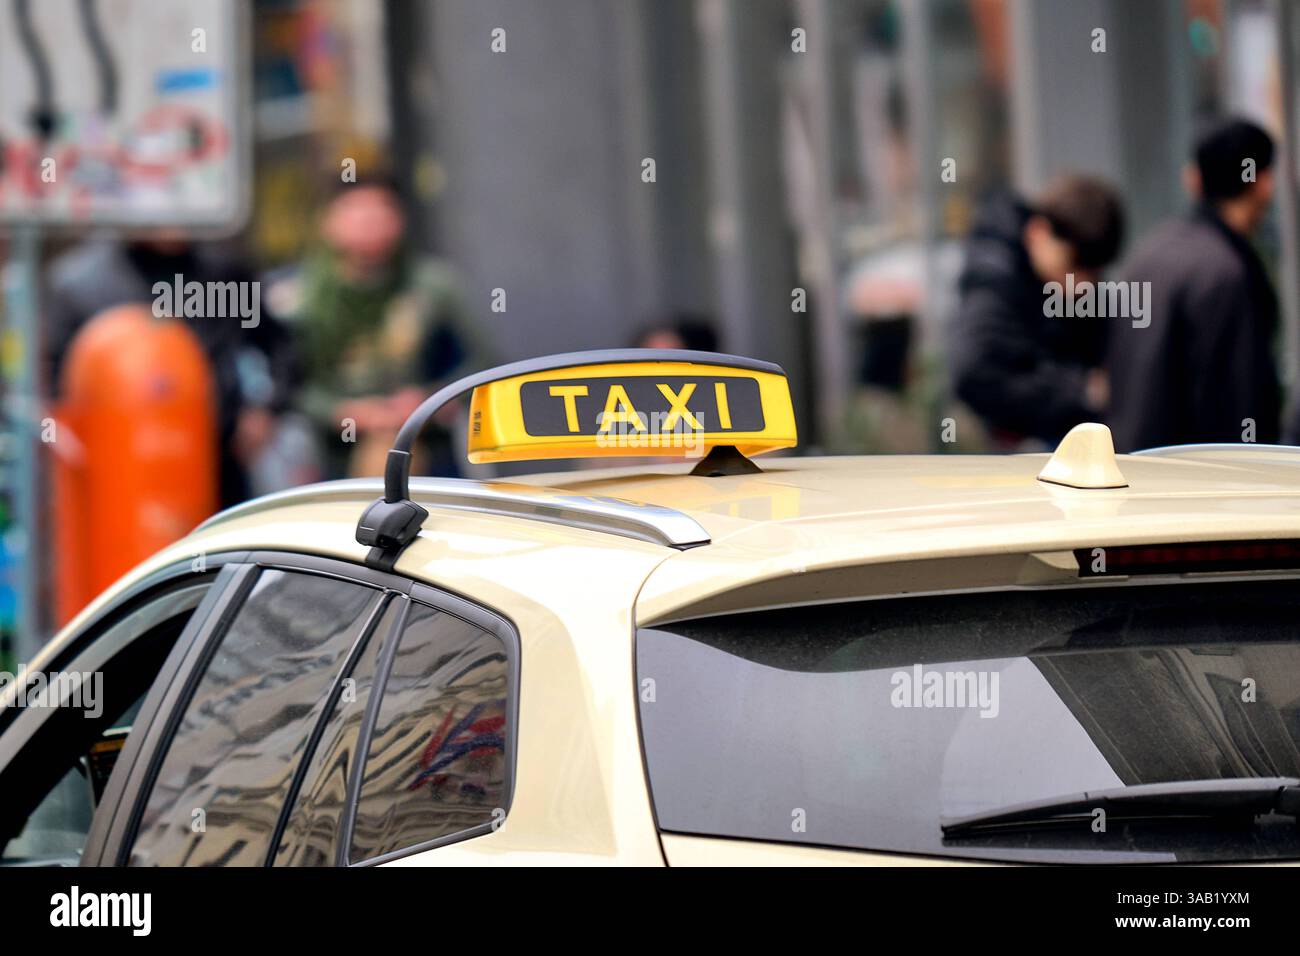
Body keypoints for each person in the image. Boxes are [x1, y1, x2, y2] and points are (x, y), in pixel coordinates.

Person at [44, 235, 298, 507]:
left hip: (216, 459)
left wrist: (266, 410)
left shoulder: (223, 273)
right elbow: (54, 376)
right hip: (117, 469)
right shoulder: (83, 281)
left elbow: (280, 346)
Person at [277, 177, 488, 479]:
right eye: (356, 212)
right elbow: (289, 385)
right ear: (329, 223)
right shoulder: (300, 298)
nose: (369, 222)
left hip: (422, 439)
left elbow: (483, 364)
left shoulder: (433, 286)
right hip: (333, 450)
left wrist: (432, 399)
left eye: (381, 211)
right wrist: (342, 412)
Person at [1106, 119, 1281, 451]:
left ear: (1193, 180)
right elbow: (1241, 401)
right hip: (1203, 486)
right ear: (1262, 183)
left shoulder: (1150, 252)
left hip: (1136, 474)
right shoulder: (1229, 273)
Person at [949, 175, 1125, 448]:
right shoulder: (996, 280)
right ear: (1037, 233)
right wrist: (1082, 390)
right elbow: (974, 374)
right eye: (1073, 265)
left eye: (1094, 272)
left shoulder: (1061, 279)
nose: (1082, 284)